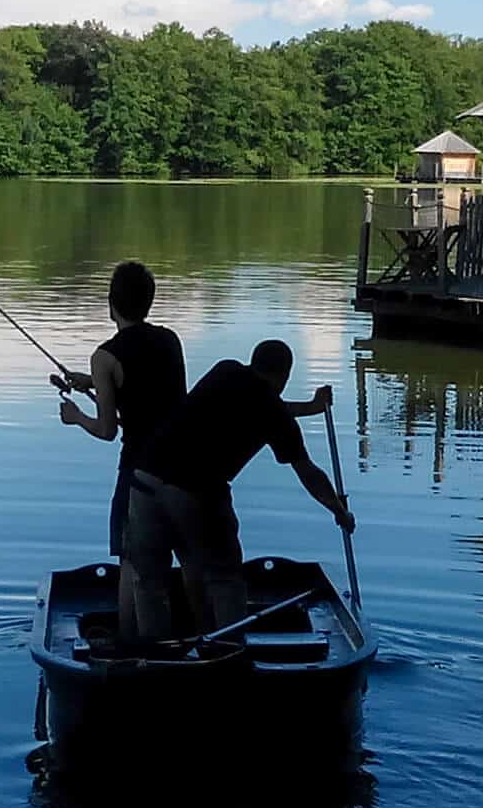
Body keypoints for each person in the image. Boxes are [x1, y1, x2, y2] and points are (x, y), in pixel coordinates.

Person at [126, 340, 354, 639]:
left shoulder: (225, 371)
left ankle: (153, 659)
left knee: (149, 580)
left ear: (253, 361)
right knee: (223, 577)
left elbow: (265, 406)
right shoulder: (273, 411)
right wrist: (339, 510)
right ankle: (227, 652)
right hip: (194, 491)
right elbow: (308, 472)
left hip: (144, 481)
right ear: (284, 375)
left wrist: (311, 408)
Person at [57, 262, 187, 637]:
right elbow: (155, 398)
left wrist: (77, 416)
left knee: (133, 563)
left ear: (110, 303)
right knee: (186, 561)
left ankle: (133, 648)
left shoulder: (105, 357)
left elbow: (108, 429)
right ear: (149, 302)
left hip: (138, 472)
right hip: (183, 468)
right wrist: (95, 386)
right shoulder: (169, 340)